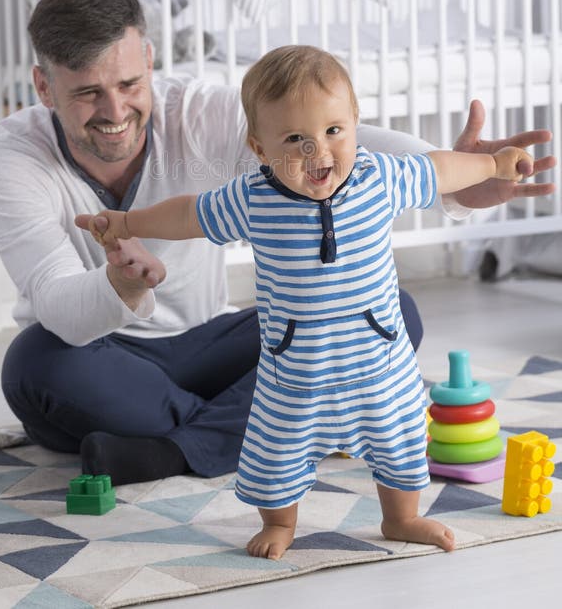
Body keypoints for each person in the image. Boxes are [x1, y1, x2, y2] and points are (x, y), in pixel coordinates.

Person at [0, 0, 555, 492]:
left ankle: (173, 451)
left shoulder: (199, 111)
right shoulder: (8, 158)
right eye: (87, 93)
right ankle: (293, 424)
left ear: (149, 59)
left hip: (207, 341)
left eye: (128, 83)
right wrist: (119, 287)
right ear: (44, 88)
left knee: (389, 309)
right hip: (100, 355)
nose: (115, 109)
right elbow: (60, 307)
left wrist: (455, 176)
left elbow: (342, 143)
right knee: (32, 366)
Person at [76, 44, 534, 560]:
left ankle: (402, 517)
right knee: (277, 450)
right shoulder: (252, 198)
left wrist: (493, 163)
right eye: (295, 139)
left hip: (378, 359)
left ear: (355, 122)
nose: (317, 151)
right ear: (260, 146)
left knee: (401, 439)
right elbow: (188, 216)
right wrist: (127, 223)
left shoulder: (379, 176)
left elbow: (440, 170)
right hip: (295, 368)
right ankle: (282, 524)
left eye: (333, 131)